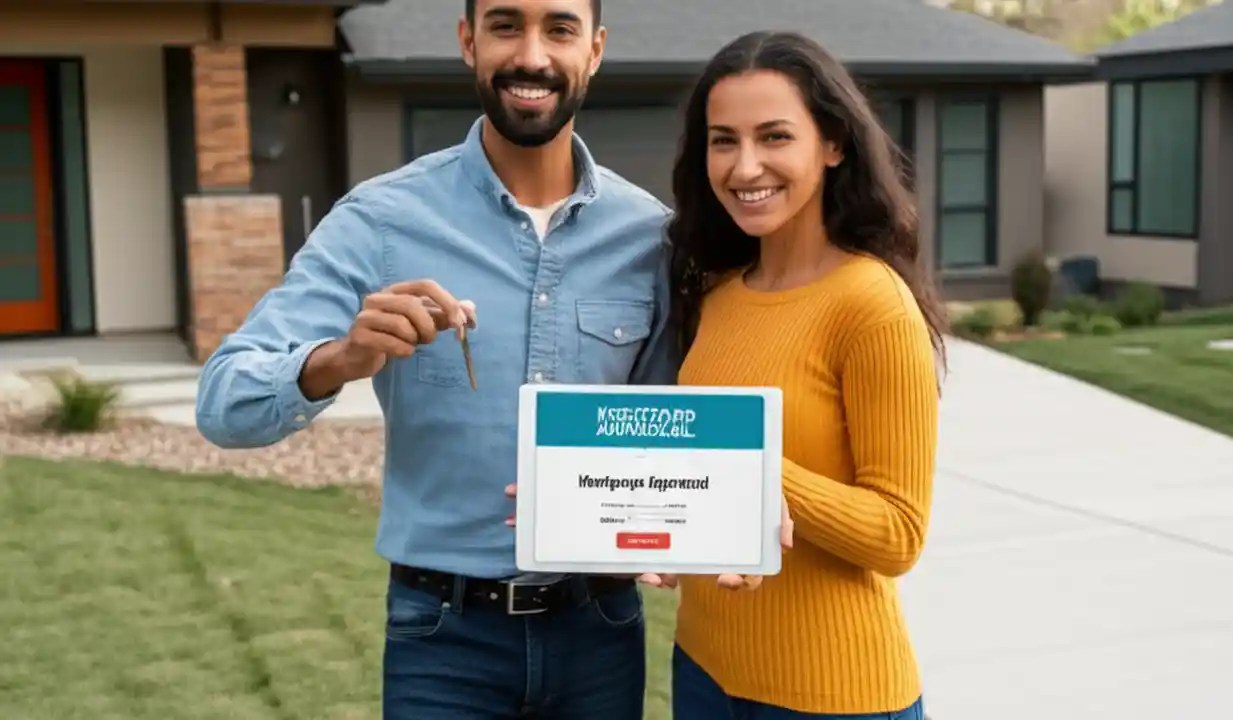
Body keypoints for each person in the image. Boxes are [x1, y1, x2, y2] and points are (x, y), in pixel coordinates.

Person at [194, 0, 678, 717]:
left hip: (599, 633)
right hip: (444, 640)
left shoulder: (651, 238)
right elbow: (223, 404)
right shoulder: (380, 220)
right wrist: (342, 357)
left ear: (595, 50)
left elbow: (673, 429)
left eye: (560, 29)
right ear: (467, 41)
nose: (532, 55)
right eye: (505, 26)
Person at [660, 30, 946, 719]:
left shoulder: (871, 304)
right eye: (723, 141)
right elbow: (701, 475)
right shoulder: (717, 294)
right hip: (704, 671)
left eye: (774, 137)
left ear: (833, 143)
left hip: (832, 692)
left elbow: (898, 532)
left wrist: (748, 465)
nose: (745, 165)